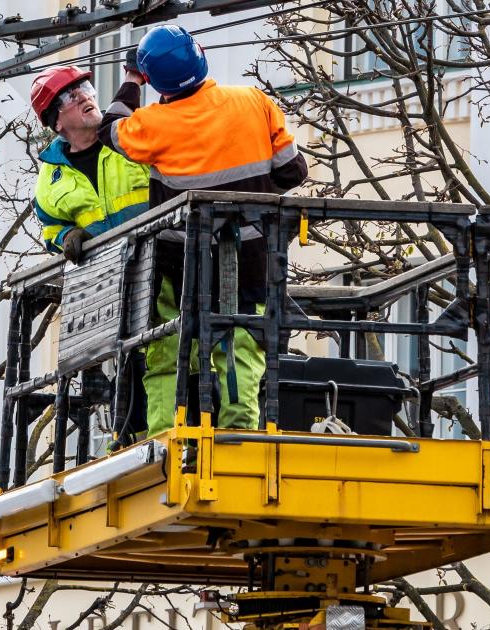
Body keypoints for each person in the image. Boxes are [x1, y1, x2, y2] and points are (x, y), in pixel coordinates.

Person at [98, 25, 309, 437]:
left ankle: (164, 441)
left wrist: (130, 79)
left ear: (153, 79)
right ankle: (237, 439)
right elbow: (292, 170)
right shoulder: (253, 101)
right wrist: (253, 197)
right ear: (202, 56)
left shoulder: (154, 124)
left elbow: (111, 129)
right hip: (251, 258)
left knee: (168, 350)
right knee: (240, 350)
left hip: (180, 266)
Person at [30, 65, 151, 262]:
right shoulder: (50, 177)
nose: (85, 97)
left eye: (85, 89)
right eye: (71, 97)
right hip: (106, 282)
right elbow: (52, 228)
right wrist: (67, 235)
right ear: (56, 122)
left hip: (165, 271)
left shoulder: (128, 134)